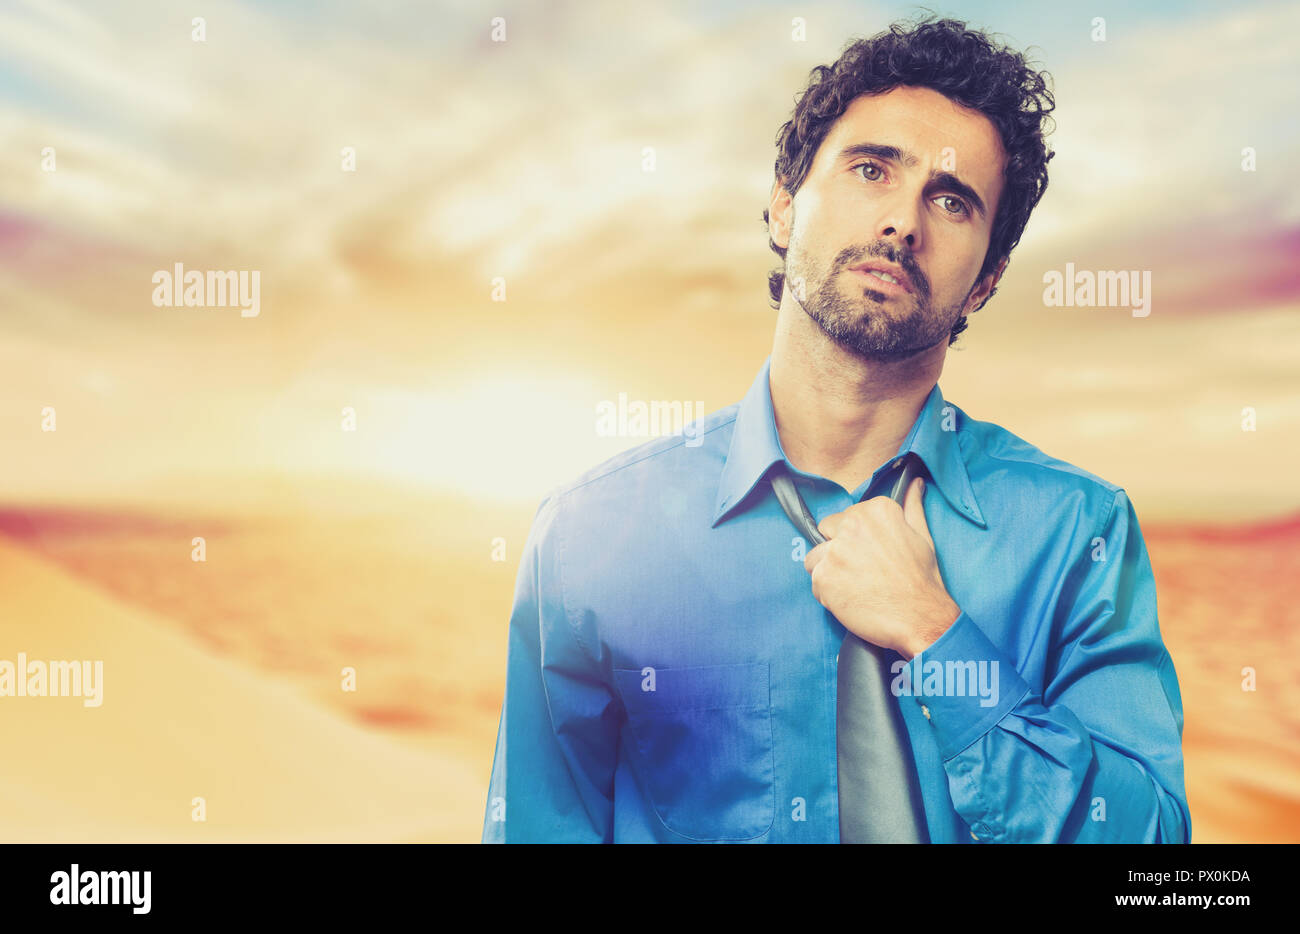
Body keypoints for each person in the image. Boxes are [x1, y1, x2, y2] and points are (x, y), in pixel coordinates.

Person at [481, 16, 1190, 844]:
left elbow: (1158, 858)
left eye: (952, 200)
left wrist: (939, 638)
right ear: (784, 207)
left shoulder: (1076, 534)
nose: (902, 221)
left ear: (987, 281)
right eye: (871, 170)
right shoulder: (591, 536)